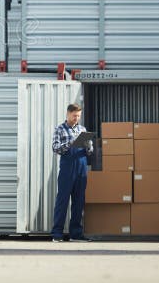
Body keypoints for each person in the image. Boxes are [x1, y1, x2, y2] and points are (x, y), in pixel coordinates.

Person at [50, 103, 93, 242]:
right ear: (68, 114)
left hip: (81, 167)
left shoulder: (82, 129)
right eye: (74, 116)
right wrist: (71, 142)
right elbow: (55, 148)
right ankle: (57, 234)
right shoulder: (60, 129)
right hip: (67, 168)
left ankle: (76, 234)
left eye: (79, 116)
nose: (76, 118)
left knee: (79, 201)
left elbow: (90, 152)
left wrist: (88, 146)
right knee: (62, 201)